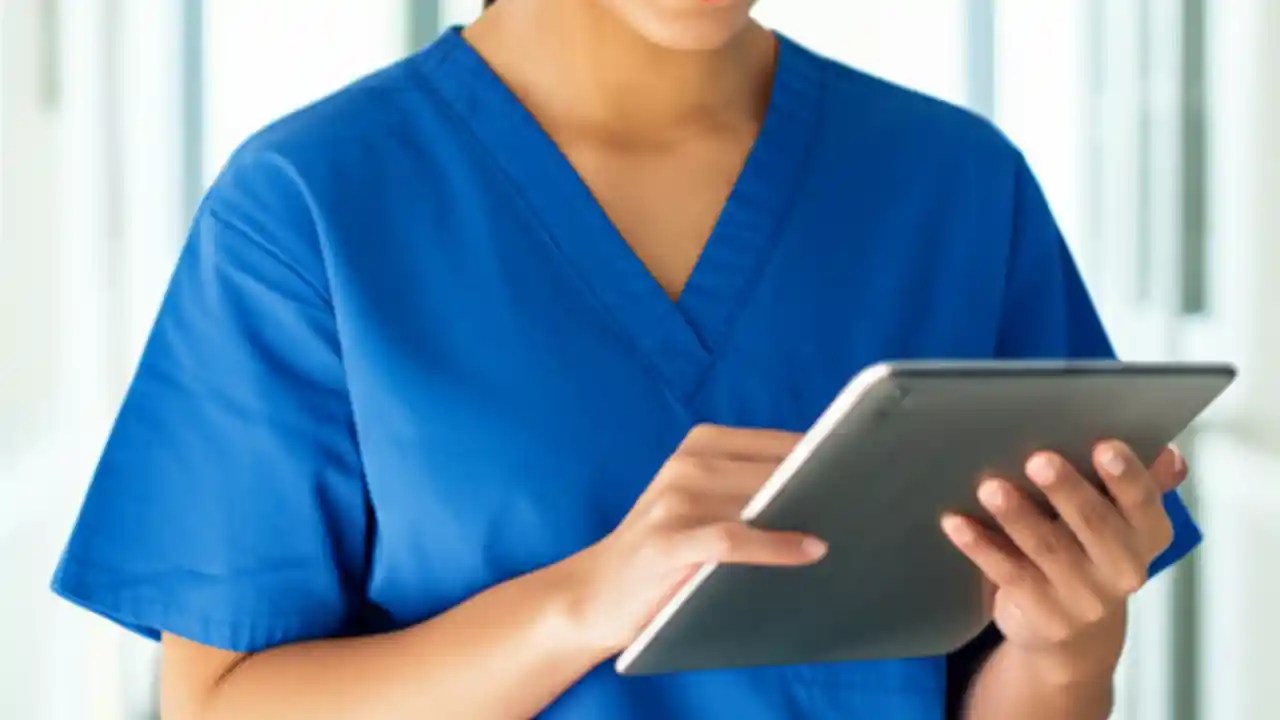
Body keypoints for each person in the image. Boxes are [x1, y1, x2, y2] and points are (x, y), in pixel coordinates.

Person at [52, 0, 1202, 718]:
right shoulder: (311, 205)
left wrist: (1064, 649)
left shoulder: (955, 186)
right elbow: (220, 710)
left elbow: (1005, 689)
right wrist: (579, 606)